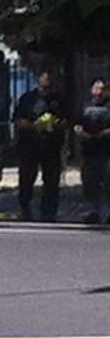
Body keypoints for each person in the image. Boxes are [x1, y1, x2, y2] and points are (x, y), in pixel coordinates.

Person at [13, 71, 67, 221]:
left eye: (49, 83)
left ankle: (49, 211)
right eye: (44, 83)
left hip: (51, 145)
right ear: (38, 82)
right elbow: (18, 120)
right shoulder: (27, 99)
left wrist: (55, 124)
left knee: (51, 179)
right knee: (27, 177)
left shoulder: (58, 100)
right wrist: (34, 125)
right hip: (29, 145)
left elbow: (67, 120)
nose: (47, 86)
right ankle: (25, 207)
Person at [74, 78, 110, 225]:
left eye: (102, 89)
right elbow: (77, 125)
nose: (99, 92)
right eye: (96, 88)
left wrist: (104, 133)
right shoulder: (84, 107)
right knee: (90, 184)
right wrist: (82, 133)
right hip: (89, 153)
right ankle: (92, 212)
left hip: (107, 152)